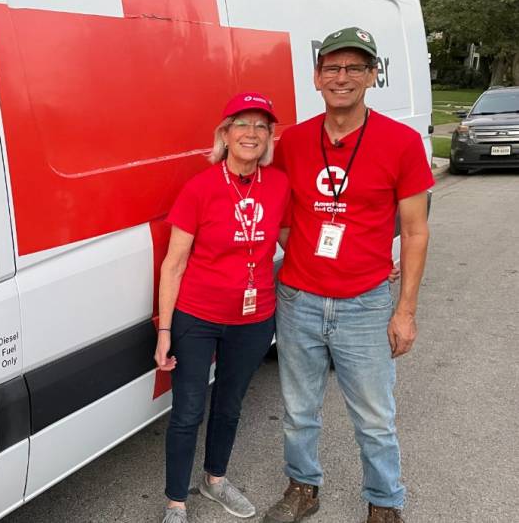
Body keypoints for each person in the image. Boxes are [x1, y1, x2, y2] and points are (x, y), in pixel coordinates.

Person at [262, 27, 433, 523]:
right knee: (298, 410)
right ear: (317, 77)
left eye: (355, 68)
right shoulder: (292, 142)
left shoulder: (399, 142)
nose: (342, 77)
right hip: (299, 300)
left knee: (375, 419)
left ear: (372, 76)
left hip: (366, 302)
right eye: (332, 68)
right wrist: (313, 260)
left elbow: (416, 232)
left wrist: (405, 310)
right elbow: (285, 218)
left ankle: (385, 504)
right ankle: (302, 488)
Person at [155, 92, 290, 522]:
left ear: (269, 137)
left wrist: (366, 267)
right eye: (242, 124)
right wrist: (164, 331)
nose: (251, 133)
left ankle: (215, 480)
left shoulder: (280, 185)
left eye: (261, 126)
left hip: (253, 319)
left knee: (230, 405)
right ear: (225, 134)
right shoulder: (200, 188)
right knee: (188, 411)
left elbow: (294, 243)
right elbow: (173, 265)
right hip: (197, 317)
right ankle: (176, 501)